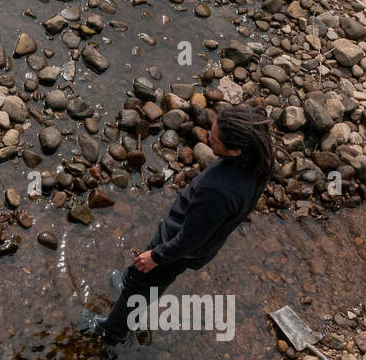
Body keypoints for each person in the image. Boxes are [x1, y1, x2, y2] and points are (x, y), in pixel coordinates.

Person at [81, 104, 274, 343]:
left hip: (177, 246)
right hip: (192, 242)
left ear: (235, 151)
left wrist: (157, 256)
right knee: (150, 279)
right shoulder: (258, 160)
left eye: (215, 139)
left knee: (144, 279)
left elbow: (188, 241)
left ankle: (113, 330)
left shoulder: (218, 193)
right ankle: (131, 287)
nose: (209, 138)